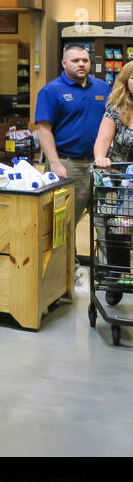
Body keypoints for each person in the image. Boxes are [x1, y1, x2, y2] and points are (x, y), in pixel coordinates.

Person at [35, 42, 110, 238]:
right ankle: (69, 267)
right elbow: (43, 129)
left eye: (85, 60)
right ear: (64, 63)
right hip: (67, 164)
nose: (81, 64)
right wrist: (55, 163)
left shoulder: (102, 88)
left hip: (100, 166)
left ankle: (104, 268)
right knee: (64, 222)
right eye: (75, 60)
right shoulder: (51, 90)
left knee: (106, 221)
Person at [92, 62, 133, 302]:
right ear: (126, 81)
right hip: (120, 181)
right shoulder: (116, 108)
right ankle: (118, 279)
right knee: (118, 228)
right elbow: (102, 139)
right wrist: (100, 158)